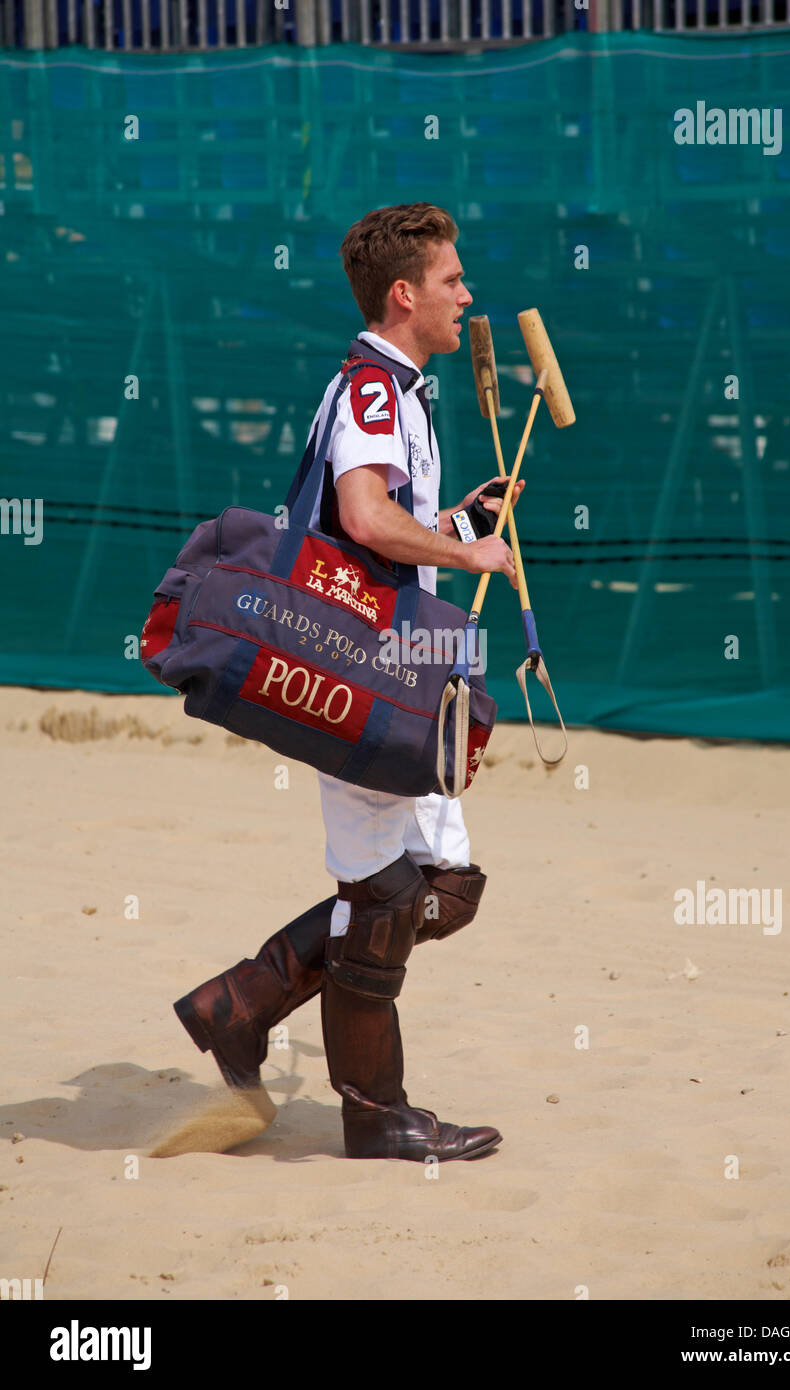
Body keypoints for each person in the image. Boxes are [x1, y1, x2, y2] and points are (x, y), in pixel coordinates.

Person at [173, 203, 522, 1162]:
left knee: (441, 887)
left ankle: (240, 1002)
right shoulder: (373, 393)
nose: (467, 295)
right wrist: (480, 556)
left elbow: (378, 535)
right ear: (405, 293)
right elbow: (365, 522)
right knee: (389, 896)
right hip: (358, 668)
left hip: (384, 655)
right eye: (454, 280)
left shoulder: (400, 393)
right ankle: (372, 1113)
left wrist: (453, 523)